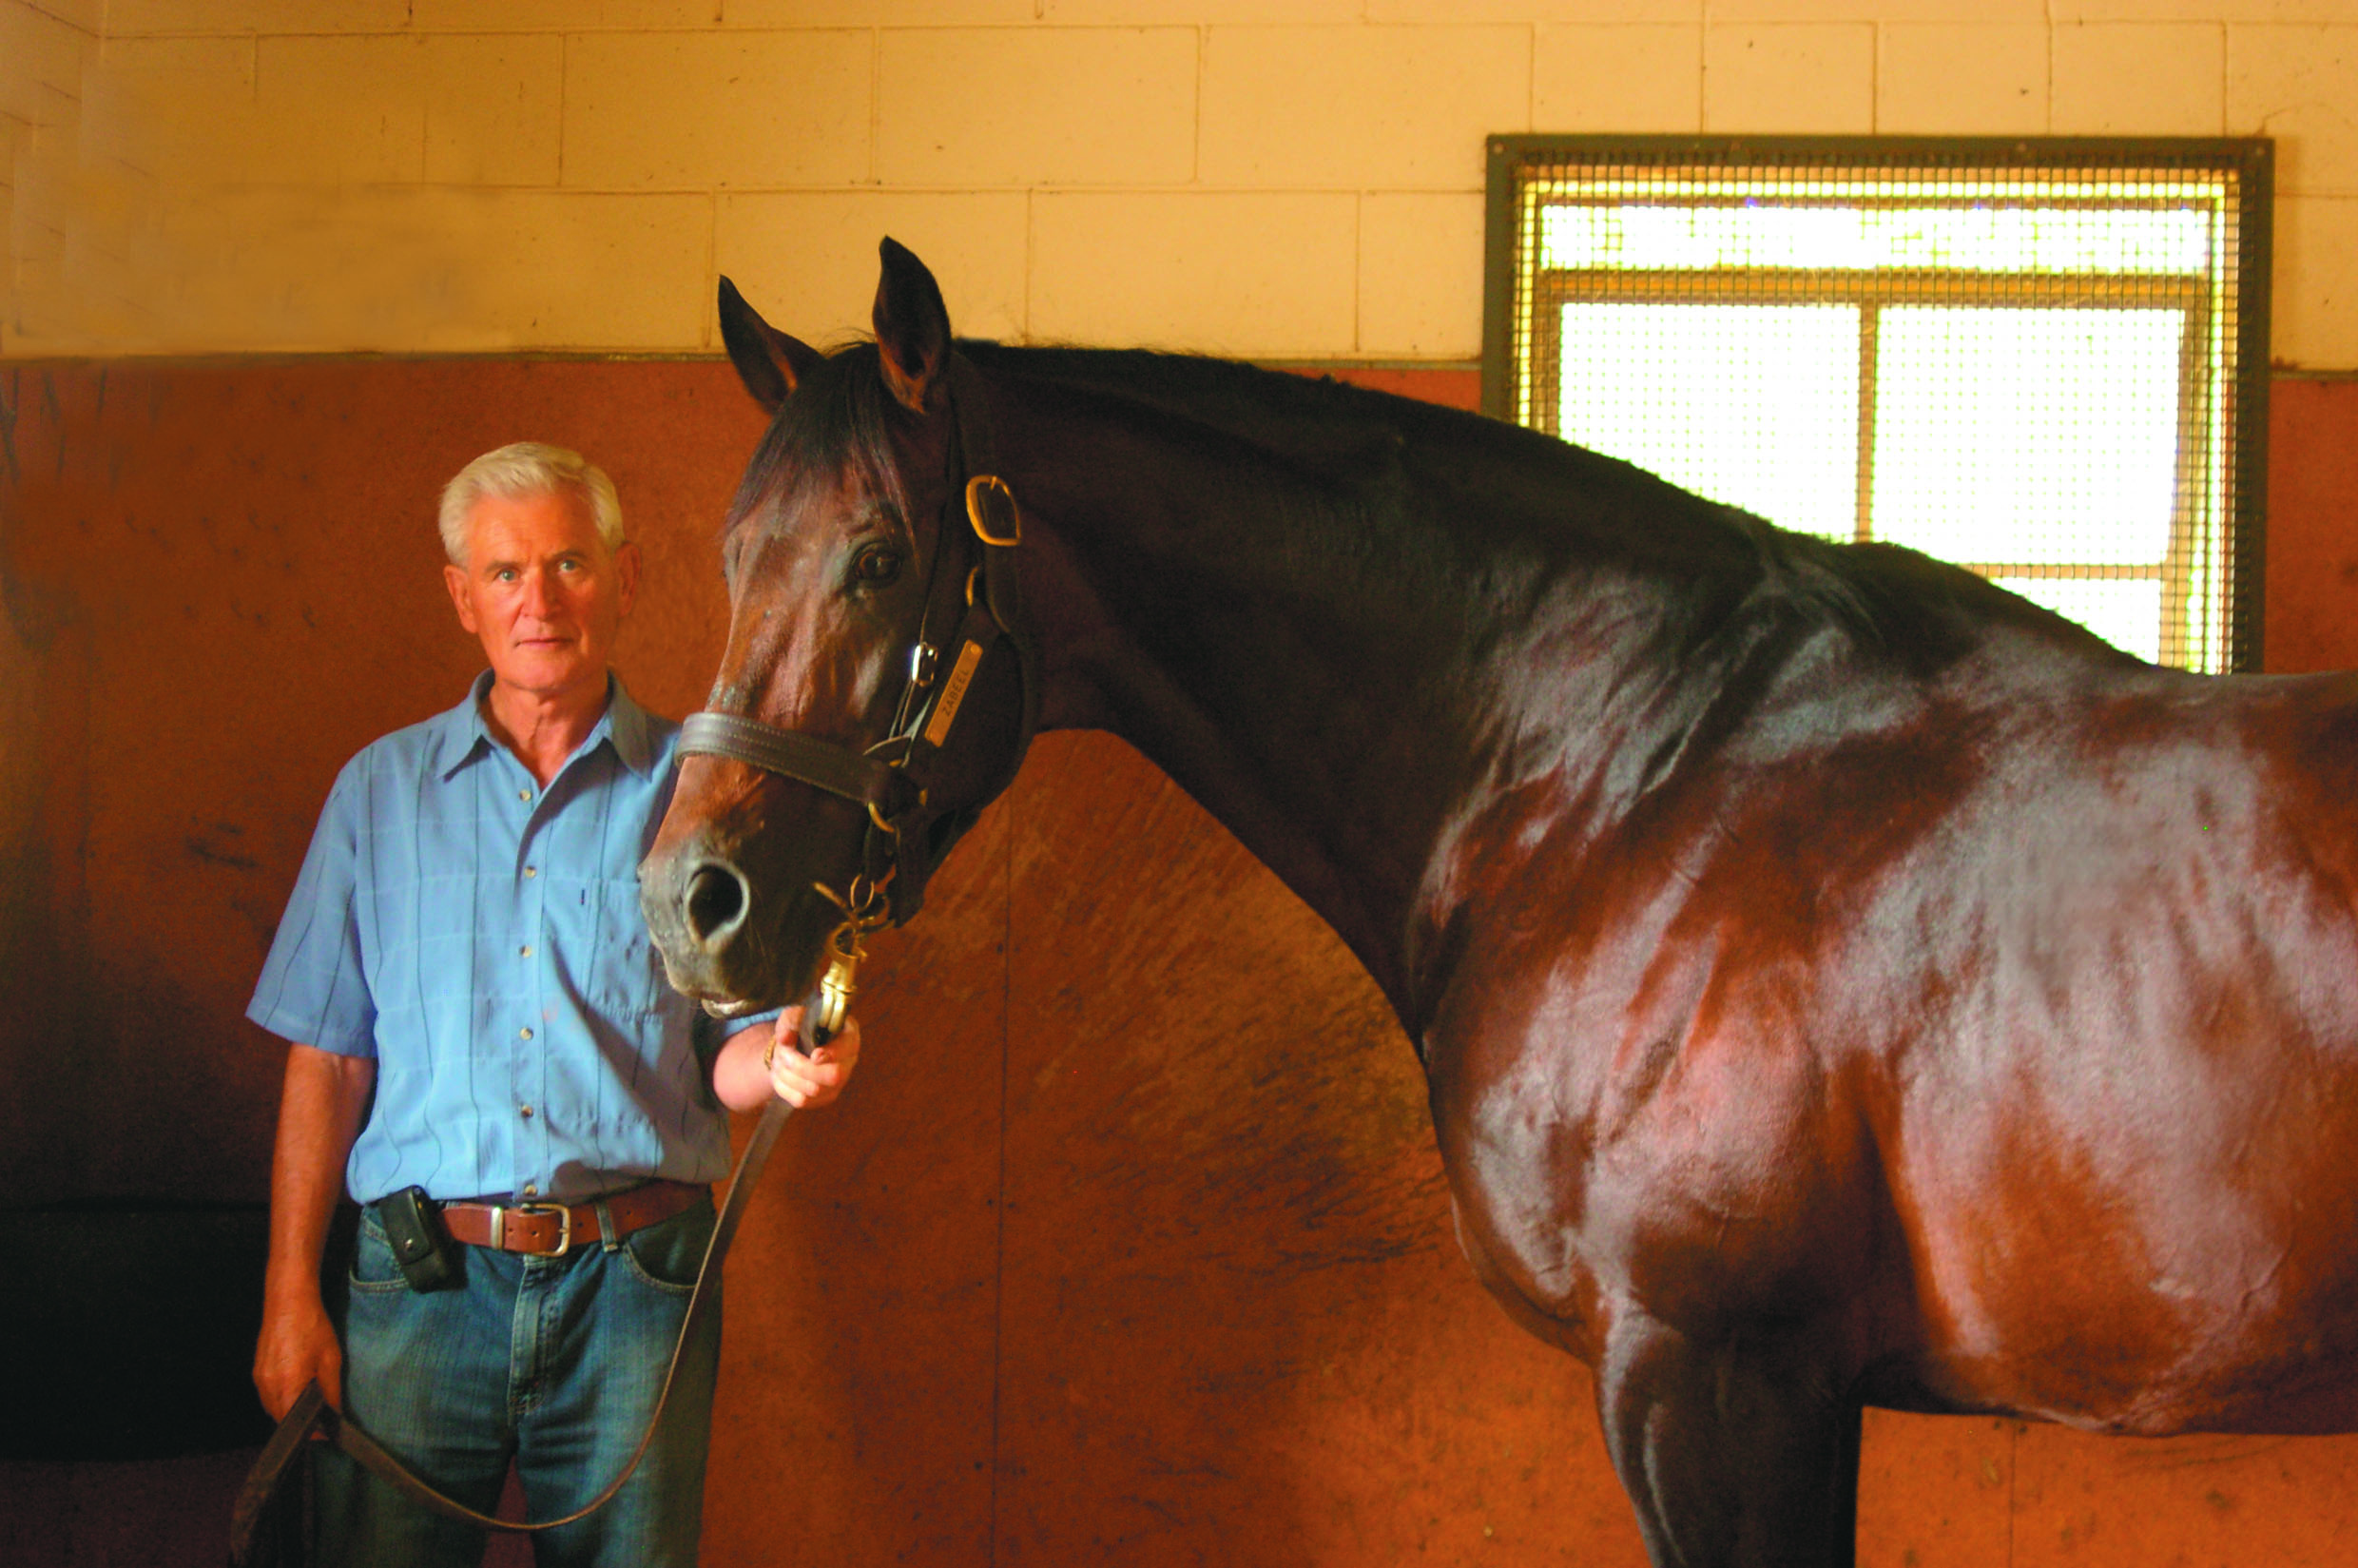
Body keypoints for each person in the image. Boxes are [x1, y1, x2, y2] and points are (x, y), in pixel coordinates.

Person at [246, 442, 858, 1566]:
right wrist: (292, 1291)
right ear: (460, 595)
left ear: (624, 580)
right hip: (420, 1287)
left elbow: (731, 1046)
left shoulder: (700, 789)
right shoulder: (376, 794)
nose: (539, 599)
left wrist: (781, 1052)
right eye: (506, 570)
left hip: (634, 1289)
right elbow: (326, 1061)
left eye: (569, 563)